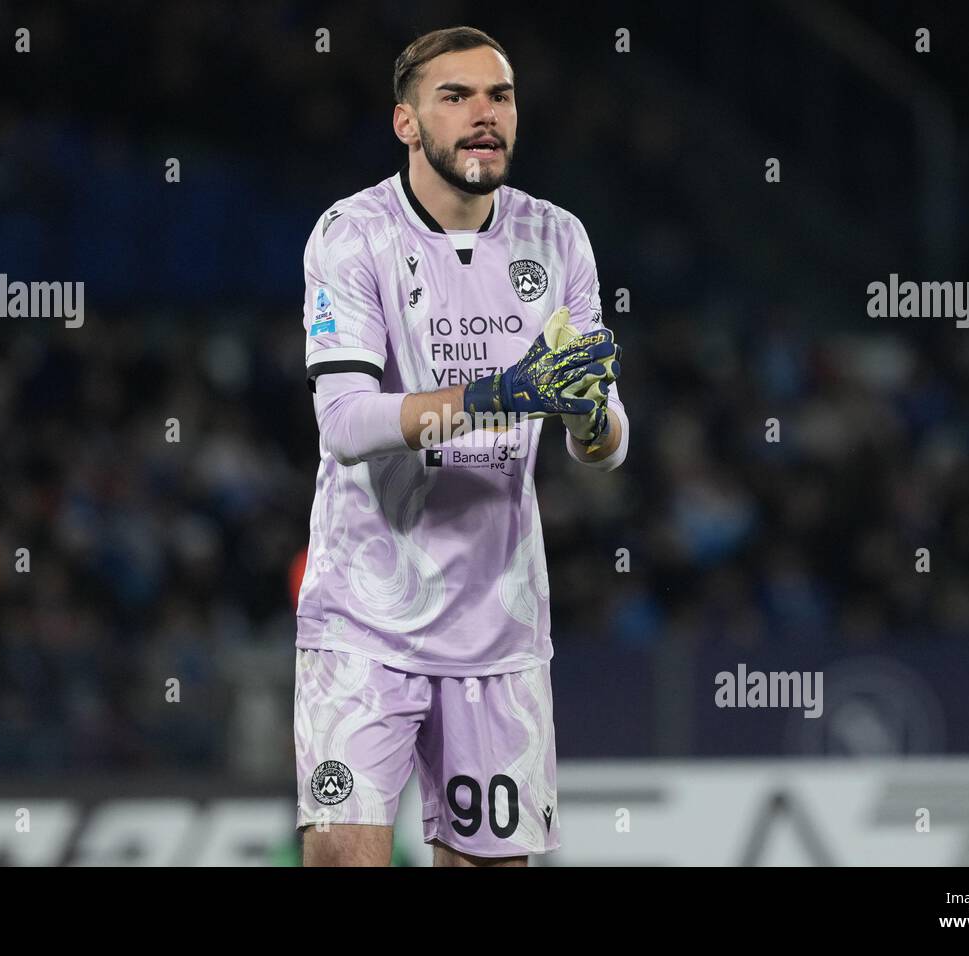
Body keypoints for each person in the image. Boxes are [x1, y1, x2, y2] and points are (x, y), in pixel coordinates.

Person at [294, 25, 629, 867]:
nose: (485, 115)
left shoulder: (558, 240)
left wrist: (588, 415)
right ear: (406, 122)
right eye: (457, 97)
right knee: (342, 858)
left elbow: (609, 443)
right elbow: (344, 424)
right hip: (364, 623)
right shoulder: (351, 234)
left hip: (499, 629)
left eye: (500, 96)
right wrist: (499, 396)